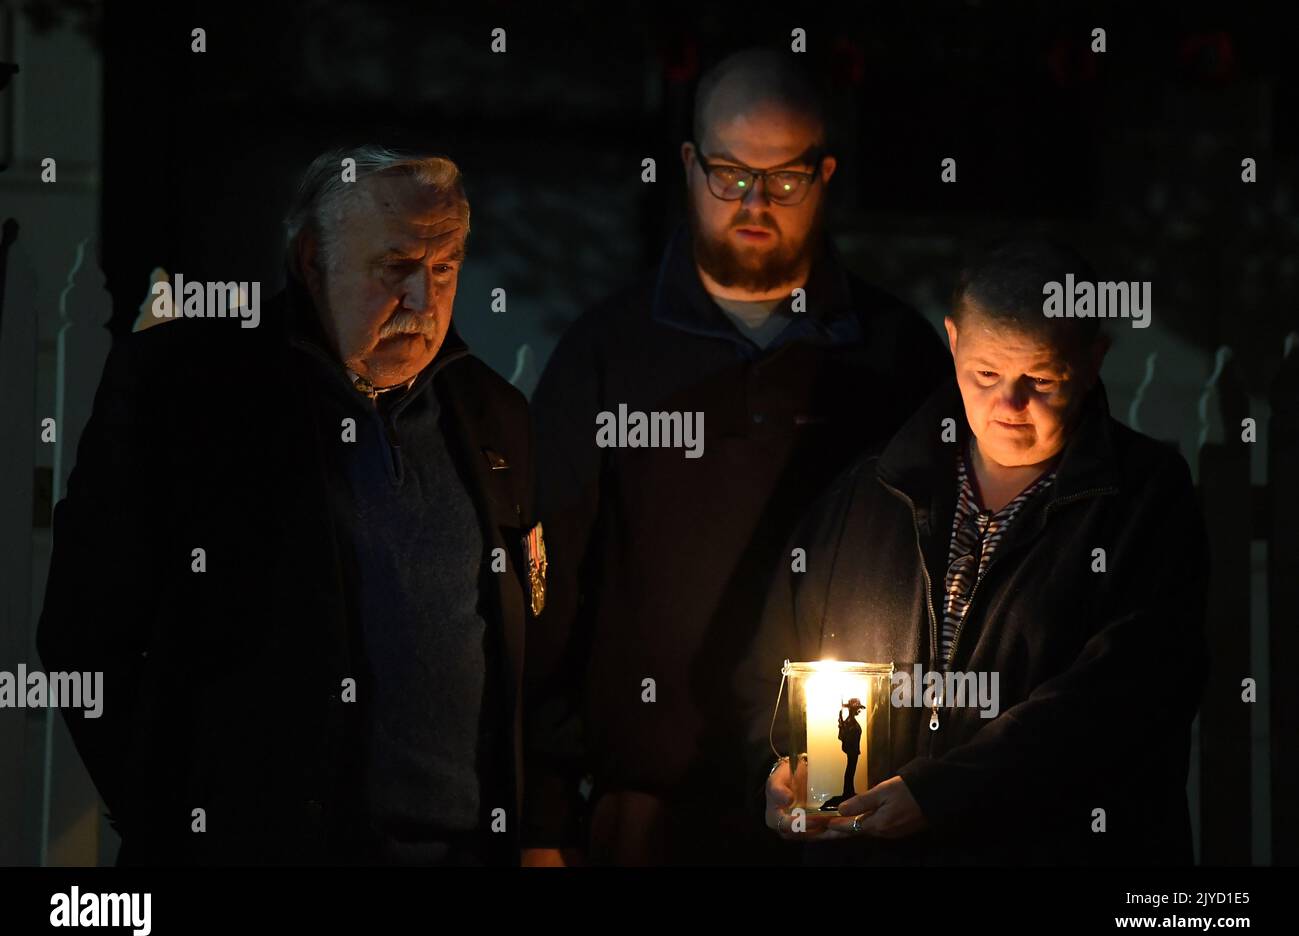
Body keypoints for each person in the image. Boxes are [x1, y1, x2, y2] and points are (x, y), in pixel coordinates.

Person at [37, 146, 539, 865]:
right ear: (312, 261)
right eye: (395, 267)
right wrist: (173, 818)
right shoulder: (189, 394)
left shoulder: (497, 416)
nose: (426, 301)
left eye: (445, 267)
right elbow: (82, 637)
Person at [523, 49, 950, 865]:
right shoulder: (608, 353)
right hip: (644, 815)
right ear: (688, 164)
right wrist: (542, 815)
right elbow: (544, 597)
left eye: (783, 178)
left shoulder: (897, 359)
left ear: (824, 174)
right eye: (729, 173)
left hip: (838, 811)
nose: (753, 201)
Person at [746, 237, 1208, 865]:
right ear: (954, 342)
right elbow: (776, 659)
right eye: (986, 374)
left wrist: (945, 791)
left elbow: (1125, 693)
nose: (1009, 405)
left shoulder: (1141, 500)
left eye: (1040, 379)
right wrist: (783, 765)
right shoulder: (875, 489)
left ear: (1093, 358)